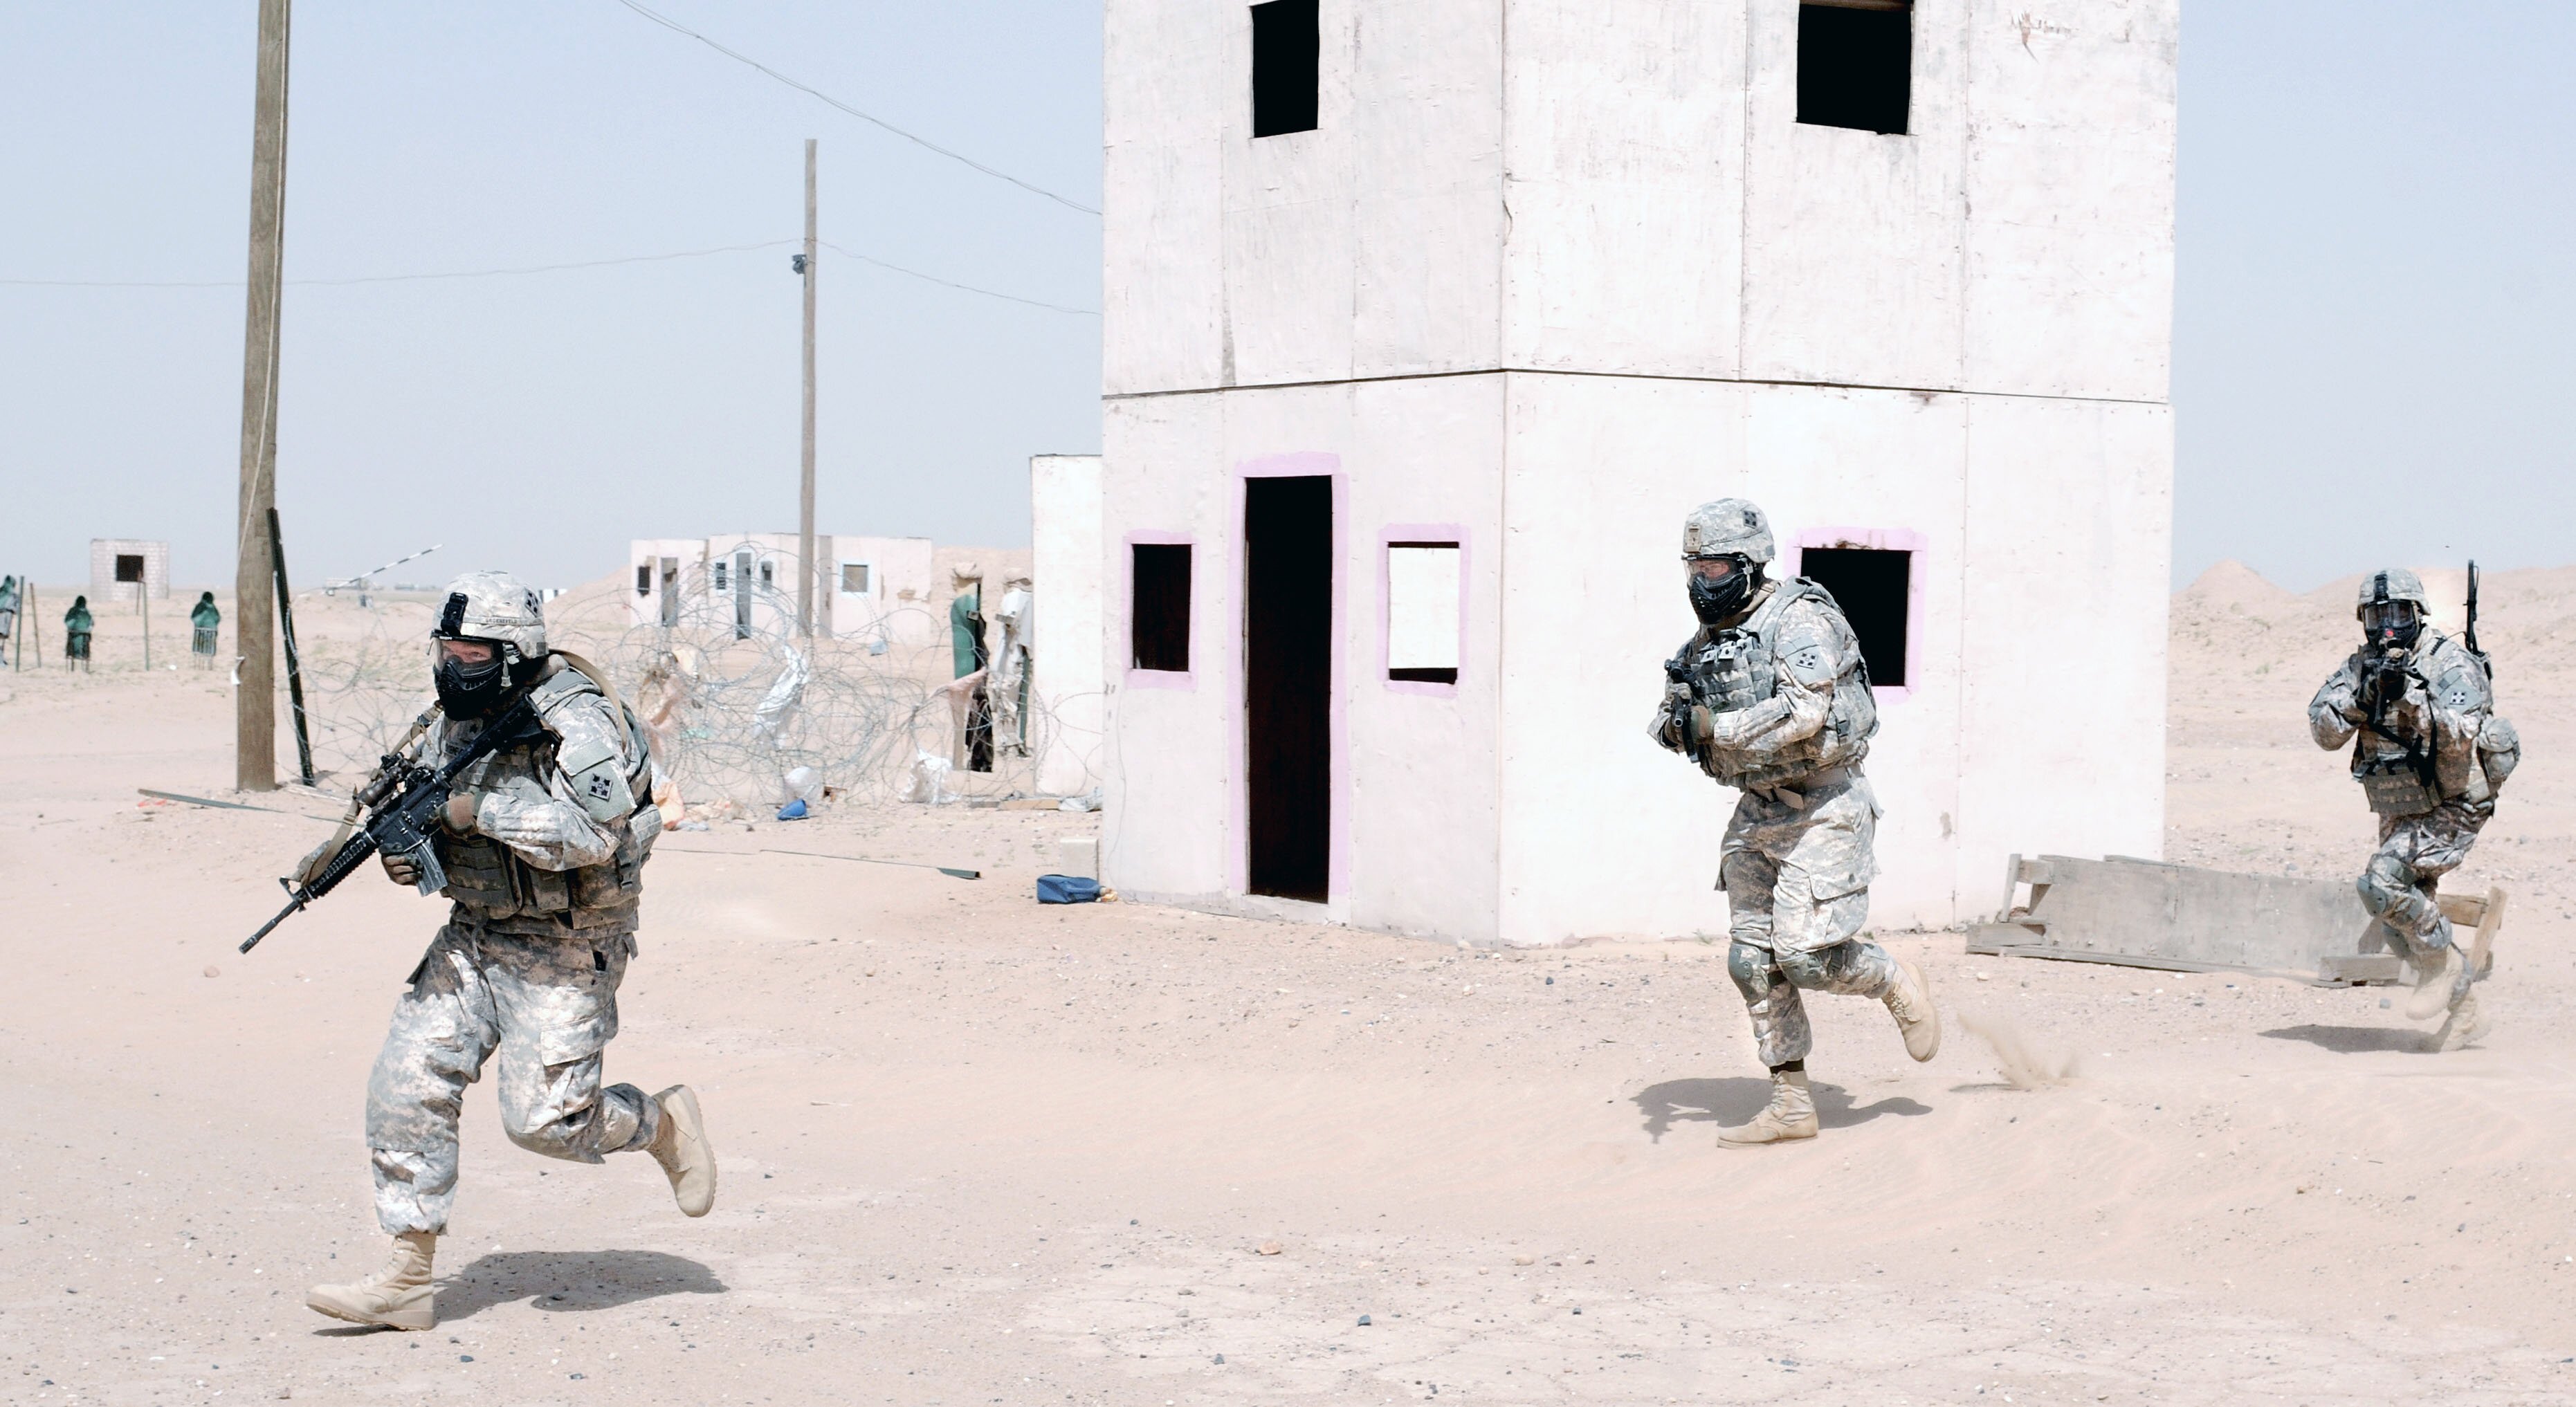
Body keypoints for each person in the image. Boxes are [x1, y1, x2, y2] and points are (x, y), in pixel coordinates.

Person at [303, 571, 715, 1331]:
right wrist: (411, 853)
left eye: (470, 653)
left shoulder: (581, 724)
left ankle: (660, 1124)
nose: (454, 666)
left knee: (546, 1124)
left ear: (515, 652)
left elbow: (597, 837)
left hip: (566, 941)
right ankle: (407, 1276)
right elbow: (428, 801)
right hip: (475, 933)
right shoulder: (453, 716)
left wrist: (480, 808)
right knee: (405, 1083)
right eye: (447, 650)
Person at [1650, 499, 1939, 1147]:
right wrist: (1676, 724)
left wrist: (1714, 727)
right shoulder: (1711, 639)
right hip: (1757, 808)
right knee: (1752, 961)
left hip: (1824, 805)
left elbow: (1805, 714)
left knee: (1805, 957)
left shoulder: (1800, 619)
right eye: (1694, 565)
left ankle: (1891, 979)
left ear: (1749, 564)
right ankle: (1789, 1103)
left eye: (1715, 564)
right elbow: (1673, 712)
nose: (1702, 579)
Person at [2308, 568, 2516, 1050]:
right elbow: (2323, 731)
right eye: (2376, 614)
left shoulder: (2449, 662)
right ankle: (2465, 1012)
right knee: (2395, 921)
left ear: (2417, 614)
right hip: (2404, 801)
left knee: (2381, 881)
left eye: (2397, 613)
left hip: (2456, 798)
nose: (2387, 626)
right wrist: (2360, 702)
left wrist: (2408, 698)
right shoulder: (2361, 665)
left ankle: (2445, 971)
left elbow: (2461, 732)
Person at [190, 591, 221, 668]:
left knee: (198, 648)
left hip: (199, 630)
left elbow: (194, 617)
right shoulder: (213, 608)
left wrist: (199, 624)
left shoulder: (200, 606)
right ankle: (209, 665)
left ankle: (197, 665)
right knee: (210, 648)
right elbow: (218, 618)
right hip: (212, 630)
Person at [62, 594, 93, 672]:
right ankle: (84, 666)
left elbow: (68, 622)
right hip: (83, 639)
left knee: (73, 650)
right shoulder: (86, 612)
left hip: (74, 637)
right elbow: (91, 624)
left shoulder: (73, 611)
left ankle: (73, 667)